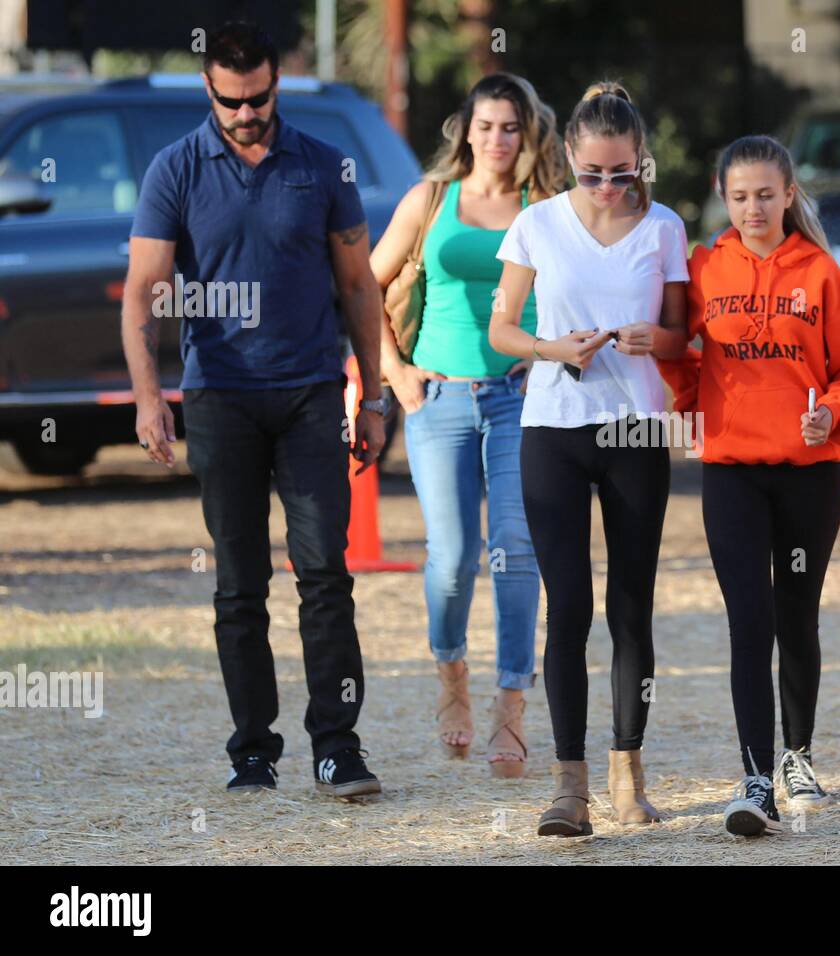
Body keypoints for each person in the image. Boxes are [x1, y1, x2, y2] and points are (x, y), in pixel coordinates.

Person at [122, 21, 385, 798]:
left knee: (324, 575)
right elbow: (144, 290)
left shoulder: (321, 165)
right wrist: (147, 396)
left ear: (279, 82)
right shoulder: (174, 169)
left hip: (308, 394)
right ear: (208, 87)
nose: (246, 114)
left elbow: (359, 284)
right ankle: (252, 753)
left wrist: (372, 394)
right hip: (220, 398)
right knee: (240, 586)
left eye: (260, 98)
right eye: (231, 101)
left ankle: (337, 746)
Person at [657, 135, 840, 837]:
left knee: (797, 620)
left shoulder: (818, 272)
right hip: (730, 473)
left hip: (809, 478)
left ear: (789, 194)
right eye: (739, 196)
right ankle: (755, 777)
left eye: (765, 194)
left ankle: (799, 755)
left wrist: (833, 415)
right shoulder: (705, 266)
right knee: (748, 624)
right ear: (723, 199)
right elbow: (682, 355)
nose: (752, 208)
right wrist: (687, 396)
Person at [488, 81, 689, 837]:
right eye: (592, 172)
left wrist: (653, 340)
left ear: (642, 160)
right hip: (555, 425)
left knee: (630, 607)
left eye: (622, 172)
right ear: (568, 154)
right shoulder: (537, 223)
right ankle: (568, 785)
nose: (607, 188)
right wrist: (550, 348)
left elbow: (682, 336)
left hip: (636, 429)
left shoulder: (665, 228)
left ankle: (627, 772)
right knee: (567, 605)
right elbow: (502, 328)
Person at [370, 73, 566, 778]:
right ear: (465, 130)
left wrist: (550, 360)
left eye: (510, 127)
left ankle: (510, 711)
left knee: (515, 547)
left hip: (523, 400)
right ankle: (451, 680)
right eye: (485, 126)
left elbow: (580, 291)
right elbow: (362, 285)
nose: (497, 139)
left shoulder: (547, 209)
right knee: (452, 560)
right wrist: (393, 372)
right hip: (441, 400)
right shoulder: (431, 201)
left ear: (528, 133)